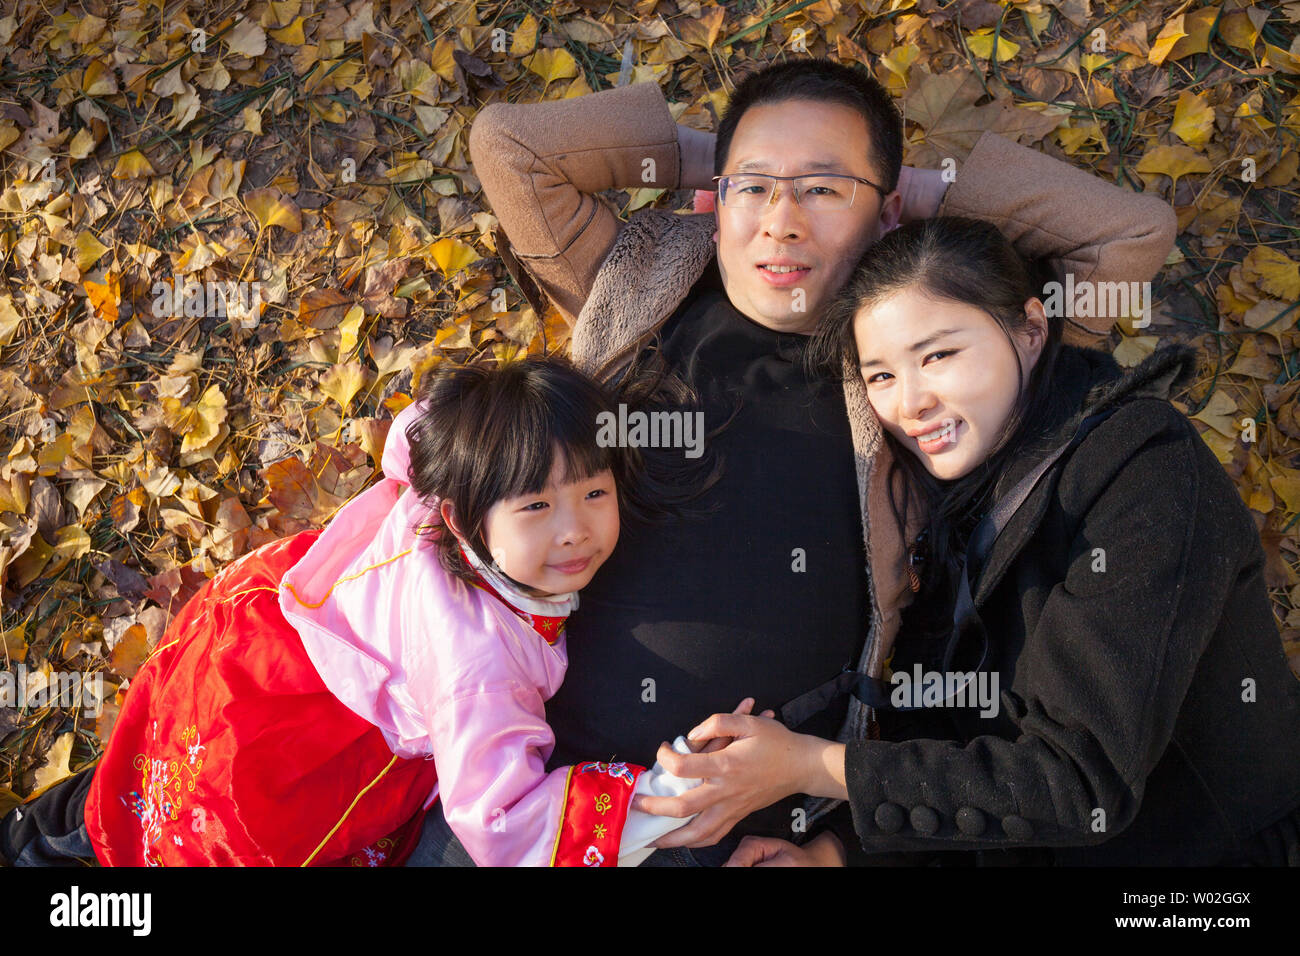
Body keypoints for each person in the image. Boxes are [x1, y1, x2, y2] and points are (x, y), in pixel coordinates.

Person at [421, 56, 1177, 865]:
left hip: (741, 833)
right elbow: (509, 145)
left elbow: (1128, 235)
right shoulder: (632, 284)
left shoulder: (919, 369)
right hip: (524, 800)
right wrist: (720, 170)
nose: (781, 223)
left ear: (886, 212)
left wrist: (899, 197)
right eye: (755, 189)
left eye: (821, 191)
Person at [633, 217, 1300, 866]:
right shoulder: (953, 494)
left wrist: (809, 766)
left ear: (1031, 330)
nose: (911, 403)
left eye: (939, 355)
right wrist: (836, 852)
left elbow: (1077, 783)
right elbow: (954, 727)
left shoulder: (1144, 470)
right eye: (883, 375)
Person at [0, 356, 718, 867]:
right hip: (292, 742)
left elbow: (411, 435)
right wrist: (655, 795)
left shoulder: (449, 469)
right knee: (194, 834)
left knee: (141, 782)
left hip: (257, 639)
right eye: (536, 506)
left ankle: (42, 835)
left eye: (594, 493)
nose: (575, 530)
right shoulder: (479, 659)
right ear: (469, 511)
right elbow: (498, 822)